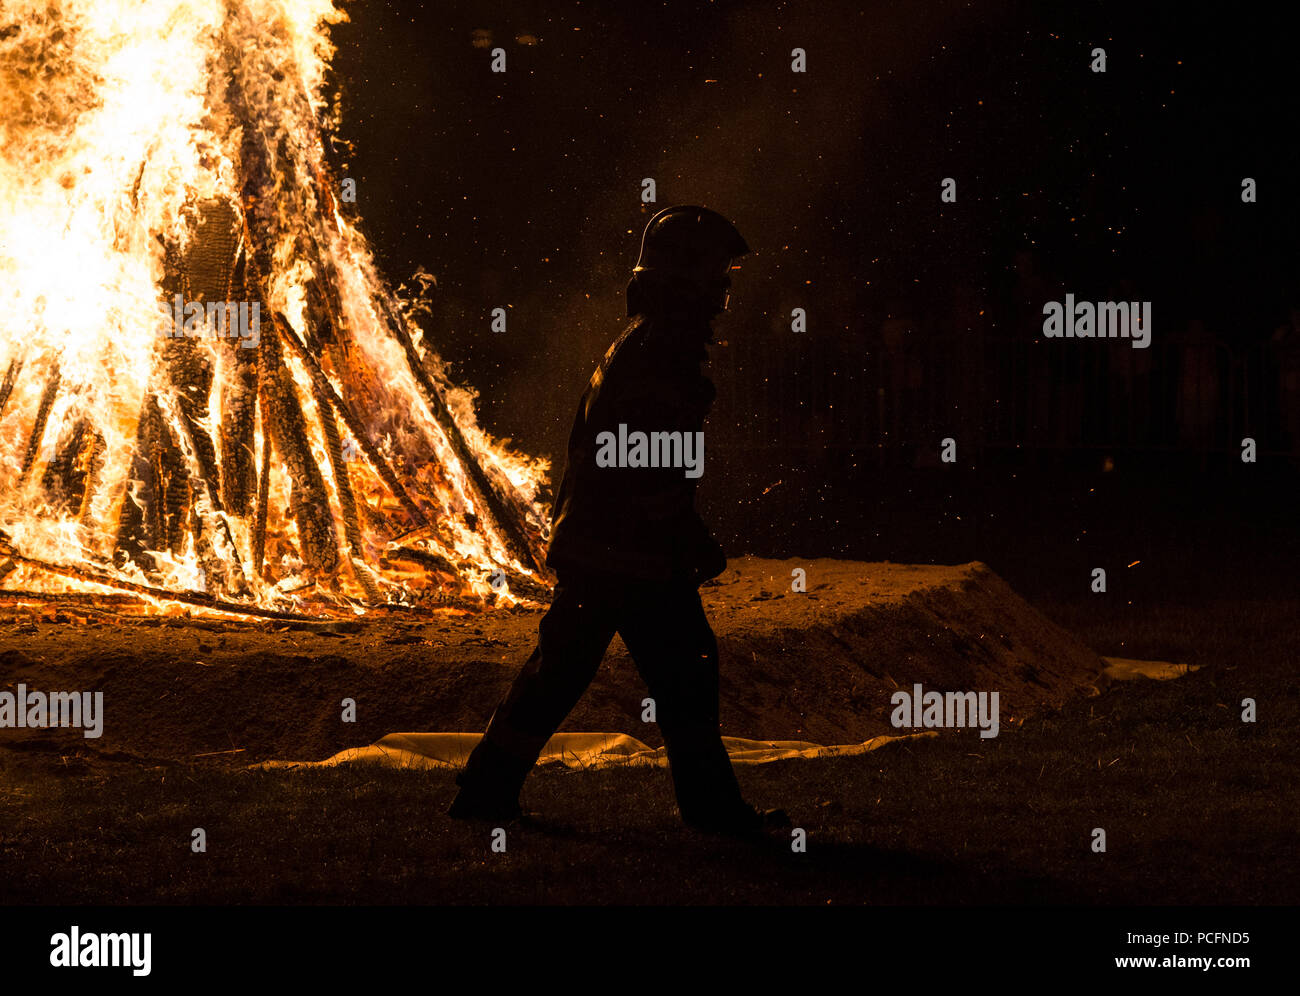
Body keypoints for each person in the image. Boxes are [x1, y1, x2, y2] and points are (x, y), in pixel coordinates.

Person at [449, 205, 786, 835]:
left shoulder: (651, 346)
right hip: (626, 555)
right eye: (715, 274)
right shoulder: (659, 358)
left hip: (613, 550)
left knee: (573, 672)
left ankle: (486, 789)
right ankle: (712, 814)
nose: (724, 289)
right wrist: (682, 537)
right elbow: (641, 469)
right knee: (671, 672)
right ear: (684, 278)